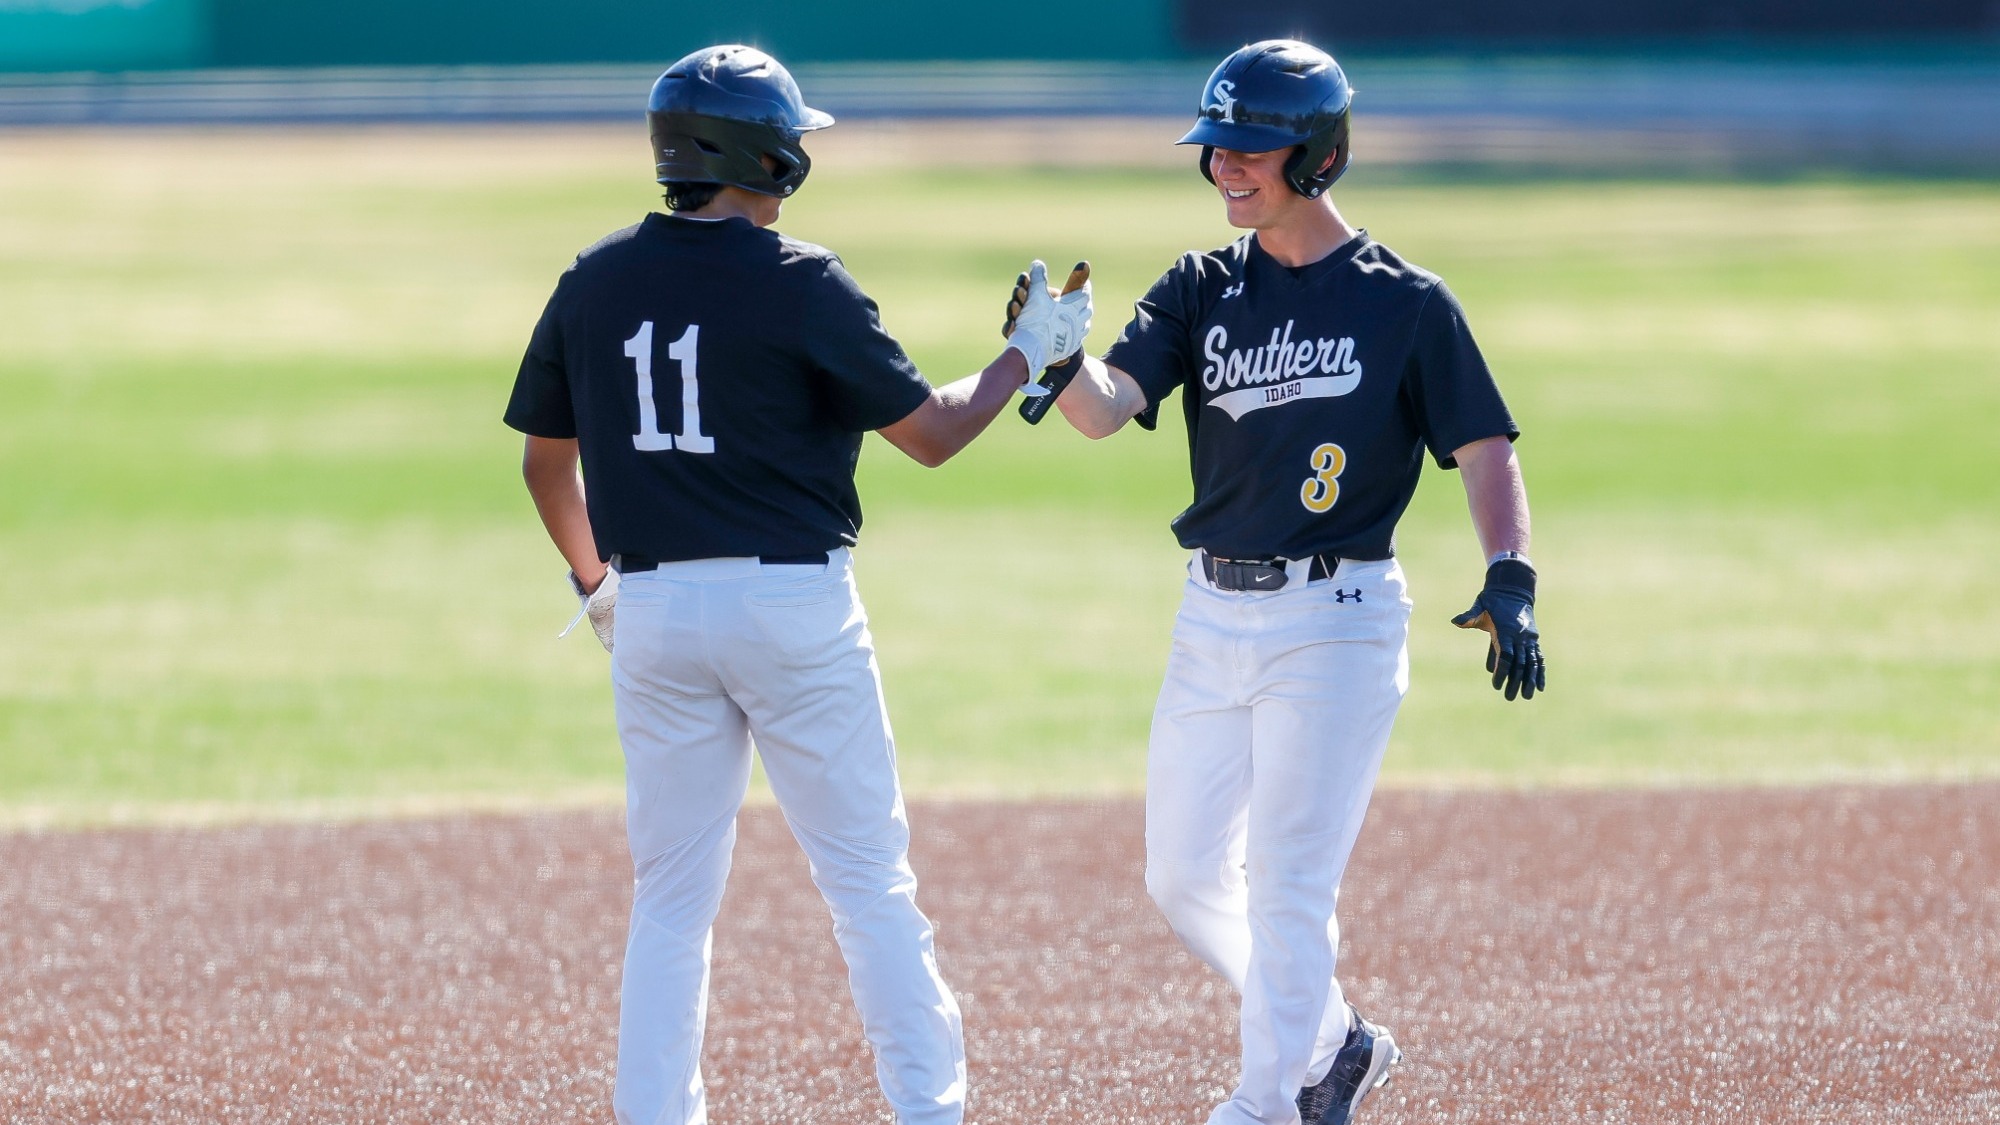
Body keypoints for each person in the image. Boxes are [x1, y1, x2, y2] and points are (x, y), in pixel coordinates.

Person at [502, 45, 1090, 1125]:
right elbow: (931, 435)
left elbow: (546, 463)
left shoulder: (591, 278)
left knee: (671, 905)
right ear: (758, 155)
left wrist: (597, 587)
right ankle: (928, 1111)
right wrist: (1021, 356)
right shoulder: (801, 280)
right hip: (792, 611)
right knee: (869, 886)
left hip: (656, 616)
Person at [1042, 39, 1545, 1125]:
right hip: (1207, 617)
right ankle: (1333, 1041)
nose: (1224, 163)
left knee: (1286, 883)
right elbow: (1102, 407)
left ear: (1316, 155)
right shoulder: (1196, 286)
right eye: (1214, 143)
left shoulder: (1405, 302)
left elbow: (1484, 446)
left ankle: (1265, 1102)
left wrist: (1509, 572)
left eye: (1250, 146)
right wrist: (1052, 361)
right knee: (1178, 877)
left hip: (1336, 622)